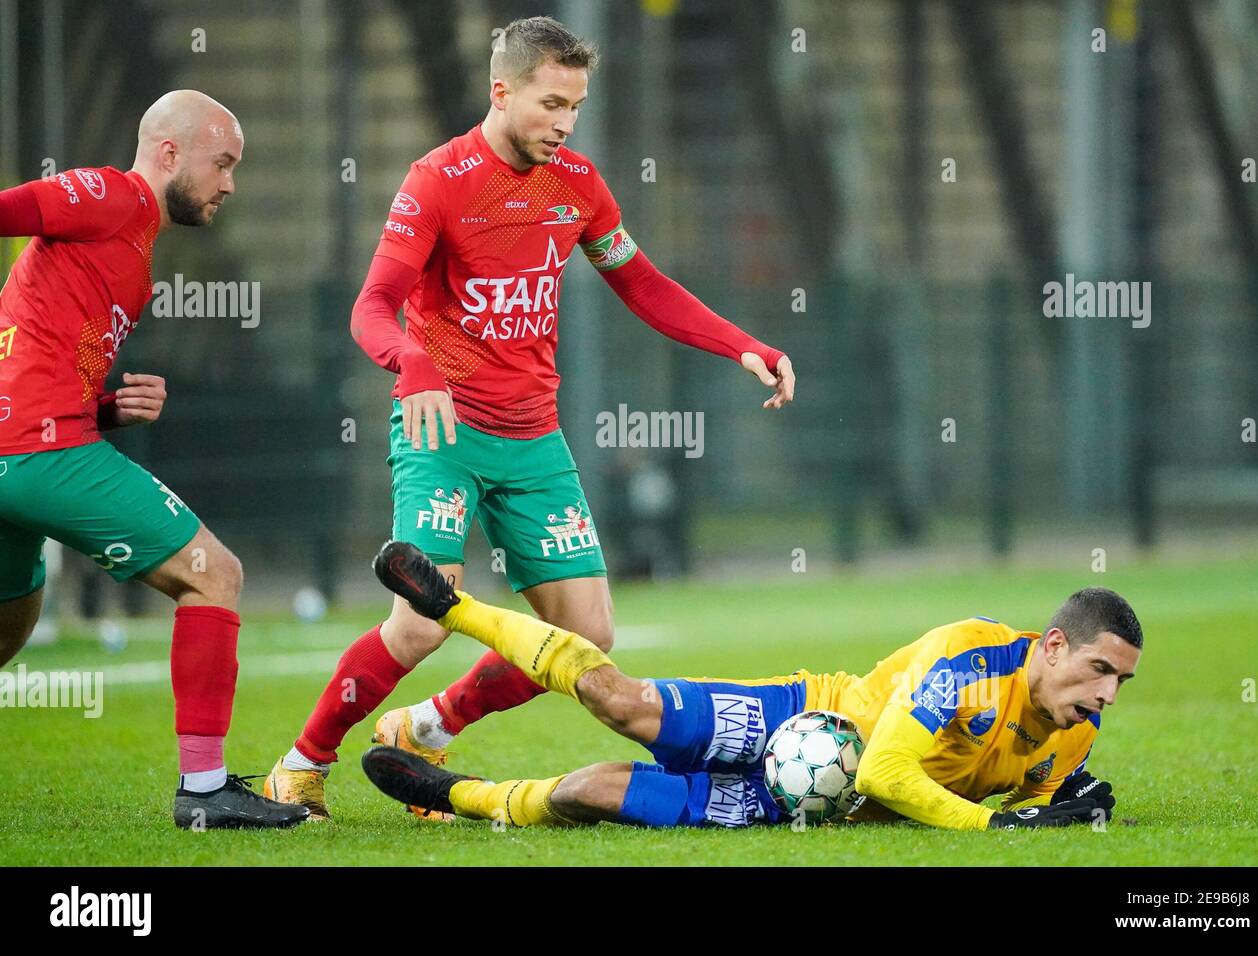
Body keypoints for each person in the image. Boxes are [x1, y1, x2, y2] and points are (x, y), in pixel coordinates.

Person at [267, 15, 795, 819]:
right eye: (552, 104)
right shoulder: (437, 180)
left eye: (576, 107)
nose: (566, 124)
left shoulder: (577, 183)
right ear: (501, 91)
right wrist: (412, 364)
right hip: (442, 434)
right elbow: (372, 304)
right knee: (419, 628)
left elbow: (642, 283)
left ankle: (425, 728)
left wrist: (740, 344)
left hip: (533, 439)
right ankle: (300, 765)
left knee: (588, 638)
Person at [0, 90, 308, 829]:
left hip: (22, 449)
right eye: (223, 163)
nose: (230, 183)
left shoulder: (135, 255)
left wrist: (106, 406)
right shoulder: (110, 194)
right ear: (170, 153)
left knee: (9, 626)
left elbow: (35, 346)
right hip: (40, 453)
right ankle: (204, 791)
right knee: (215, 575)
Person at [364, 541, 1139, 831]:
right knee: (622, 703)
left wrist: (1047, 819)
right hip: (808, 719)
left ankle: (455, 794)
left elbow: (1041, 810)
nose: (1106, 695)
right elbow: (885, 770)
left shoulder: (1077, 730)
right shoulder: (972, 660)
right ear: (1053, 644)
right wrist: (995, 829)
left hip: (812, 803)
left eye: (1120, 682)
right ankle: (454, 606)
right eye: (1099, 670)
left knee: (590, 794)